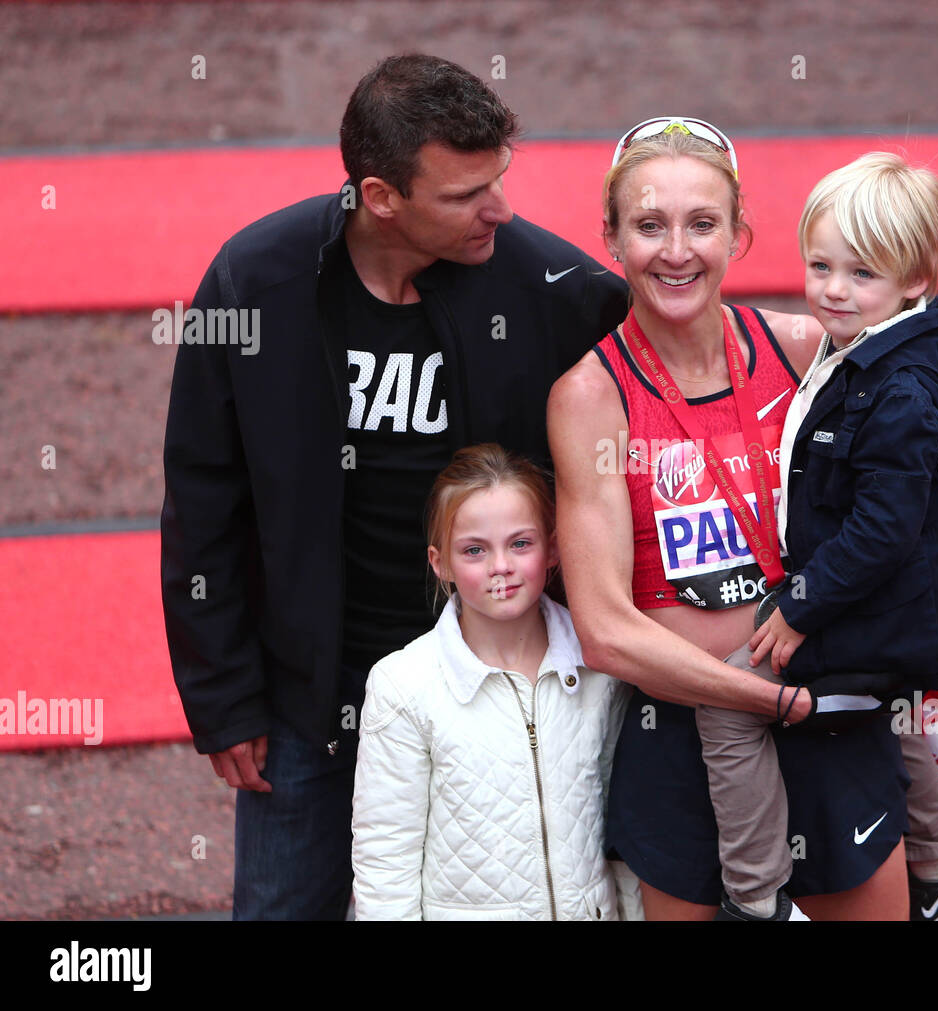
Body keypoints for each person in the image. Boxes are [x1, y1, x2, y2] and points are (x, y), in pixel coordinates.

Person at [160, 54, 627, 920]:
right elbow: (203, 500)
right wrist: (222, 697)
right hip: (312, 695)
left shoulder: (555, 292)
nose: (501, 209)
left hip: (487, 686)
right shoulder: (252, 285)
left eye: (500, 179)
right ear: (381, 196)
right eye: (464, 195)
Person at [548, 118, 909, 921]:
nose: (677, 251)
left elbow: (908, 515)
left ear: (739, 235)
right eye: (649, 225)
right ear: (610, 237)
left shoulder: (809, 350)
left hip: (829, 723)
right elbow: (606, 629)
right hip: (686, 738)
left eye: (702, 224)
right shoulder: (591, 396)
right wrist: (760, 698)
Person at [733, 151, 938, 921]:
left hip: (879, 603)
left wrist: (800, 606)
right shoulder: (897, 339)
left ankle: (756, 891)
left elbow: (882, 529)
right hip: (909, 602)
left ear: (915, 279)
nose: (832, 290)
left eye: (861, 274)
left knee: (733, 698)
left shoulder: (900, 391)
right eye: (820, 265)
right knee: (904, 714)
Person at [350, 444, 631, 920]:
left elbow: (626, 832)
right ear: (440, 563)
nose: (501, 566)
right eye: (475, 550)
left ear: (553, 548)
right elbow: (385, 860)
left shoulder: (599, 663)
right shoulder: (403, 685)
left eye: (520, 543)